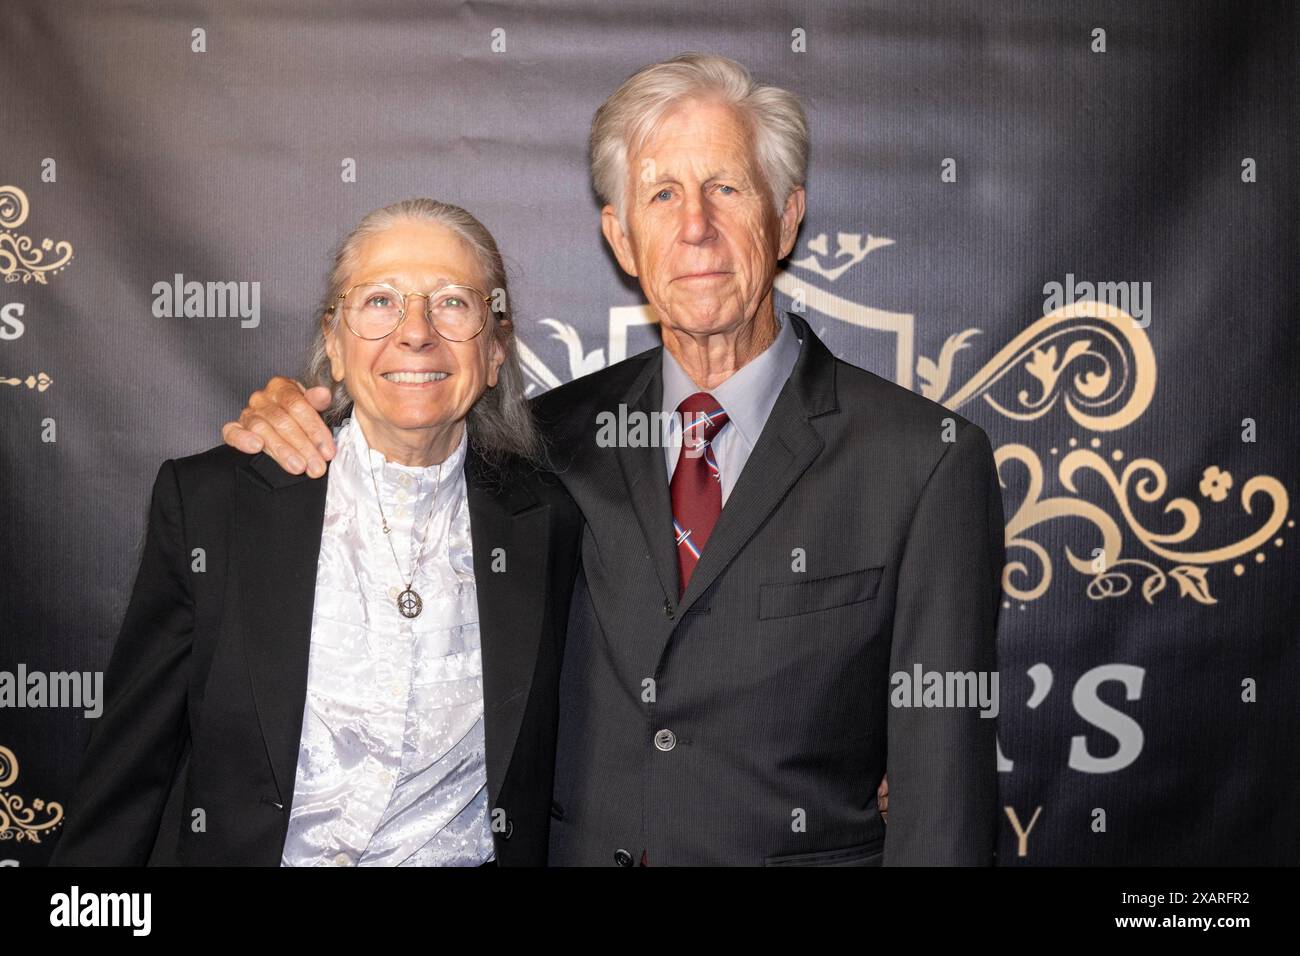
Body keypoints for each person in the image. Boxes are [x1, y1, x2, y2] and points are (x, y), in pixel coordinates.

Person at [222, 54, 1005, 866]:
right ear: (622, 238)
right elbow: (399, 471)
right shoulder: (542, 446)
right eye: (661, 195)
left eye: (727, 188)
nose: (695, 226)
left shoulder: (924, 464)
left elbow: (941, 808)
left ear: (787, 216)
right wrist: (294, 419)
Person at [51, 199, 582, 866]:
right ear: (333, 341)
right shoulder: (216, 505)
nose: (415, 332)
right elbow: (129, 771)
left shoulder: (553, 522)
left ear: (496, 349)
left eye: (452, 302)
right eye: (379, 301)